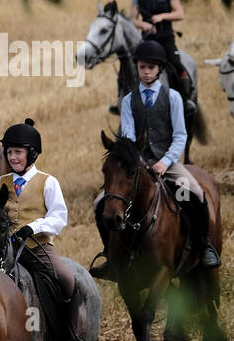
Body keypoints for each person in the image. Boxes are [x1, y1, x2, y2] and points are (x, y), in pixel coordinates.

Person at [90, 40, 221, 277]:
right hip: (138, 165)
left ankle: (204, 247)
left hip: (168, 163)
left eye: (151, 67)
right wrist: (137, 162)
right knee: (101, 202)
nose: (146, 71)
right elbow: (129, 138)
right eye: (142, 67)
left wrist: (165, 161)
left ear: (159, 69)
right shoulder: (129, 101)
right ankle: (110, 255)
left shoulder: (173, 97)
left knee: (196, 193)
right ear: (137, 68)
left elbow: (180, 135)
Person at [0, 119, 89, 341]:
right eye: (9, 152)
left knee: (66, 278)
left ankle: (72, 337)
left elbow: (59, 217)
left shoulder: (48, 182)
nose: (12, 157)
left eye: (18, 152)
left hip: (37, 247)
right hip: (3, 249)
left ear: (31, 154)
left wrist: (33, 227)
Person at [129, 0, 190, 100]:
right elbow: (131, 19)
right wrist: (144, 25)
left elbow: (180, 13)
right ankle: (122, 98)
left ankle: (186, 100)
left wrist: (162, 16)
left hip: (166, 39)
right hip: (146, 40)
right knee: (126, 67)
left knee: (177, 66)